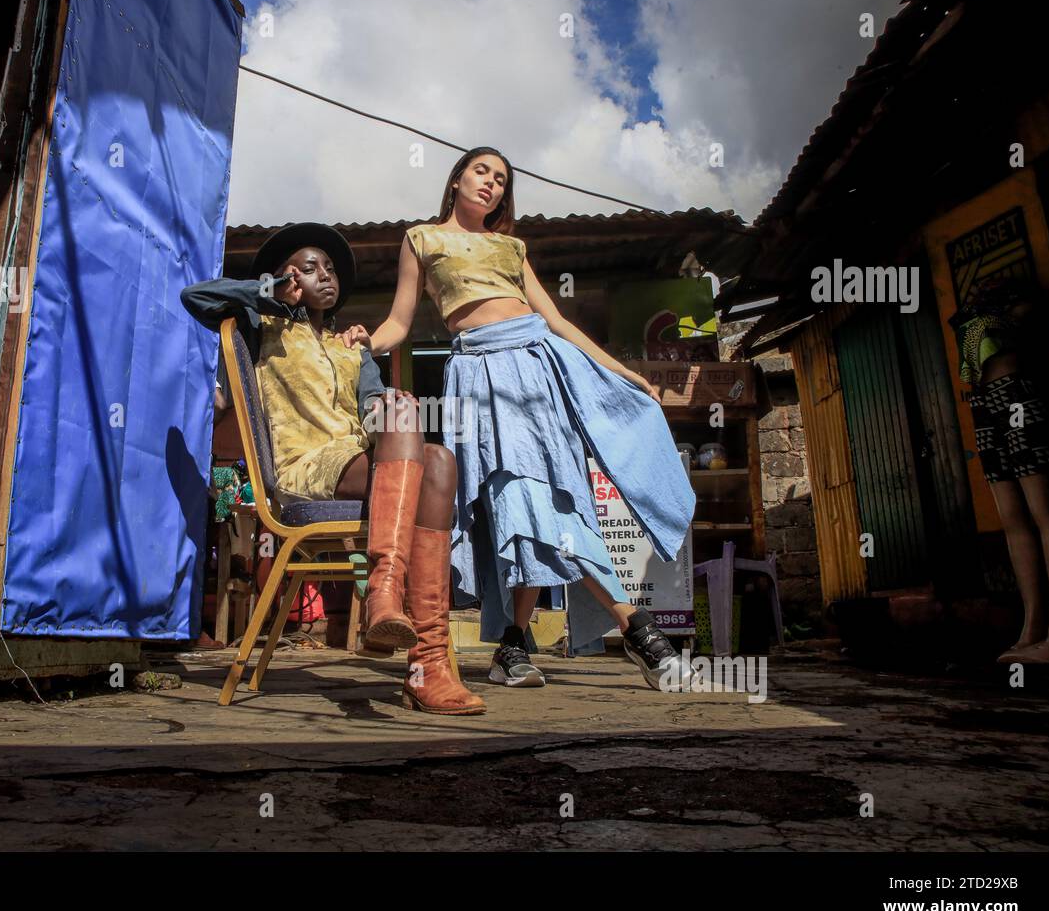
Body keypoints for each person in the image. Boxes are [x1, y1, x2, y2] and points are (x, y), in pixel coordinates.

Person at [337, 148, 695, 690]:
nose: (492, 184)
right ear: (457, 178)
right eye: (482, 171)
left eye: (502, 180)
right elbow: (398, 323)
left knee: (547, 500)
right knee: (521, 498)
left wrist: (624, 374)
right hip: (481, 377)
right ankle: (640, 633)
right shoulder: (421, 239)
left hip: (539, 368)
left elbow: (557, 323)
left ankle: (511, 647)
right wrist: (365, 338)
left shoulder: (511, 247)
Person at [180, 222, 485, 714]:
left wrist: (382, 406)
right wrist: (270, 291)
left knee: (438, 456)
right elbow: (196, 297)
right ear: (285, 278)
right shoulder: (263, 325)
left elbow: (370, 410)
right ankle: (394, 613)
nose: (324, 275)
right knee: (410, 428)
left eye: (329, 269)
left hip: (364, 461)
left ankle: (419, 651)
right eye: (308, 268)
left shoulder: (353, 347)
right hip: (303, 470)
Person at [950, 276, 1049, 665]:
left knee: (1044, 514)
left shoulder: (1010, 321)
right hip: (986, 402)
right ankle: (1032, 627)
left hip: (1015, 394)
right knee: (1015, 517)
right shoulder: (983, 322)